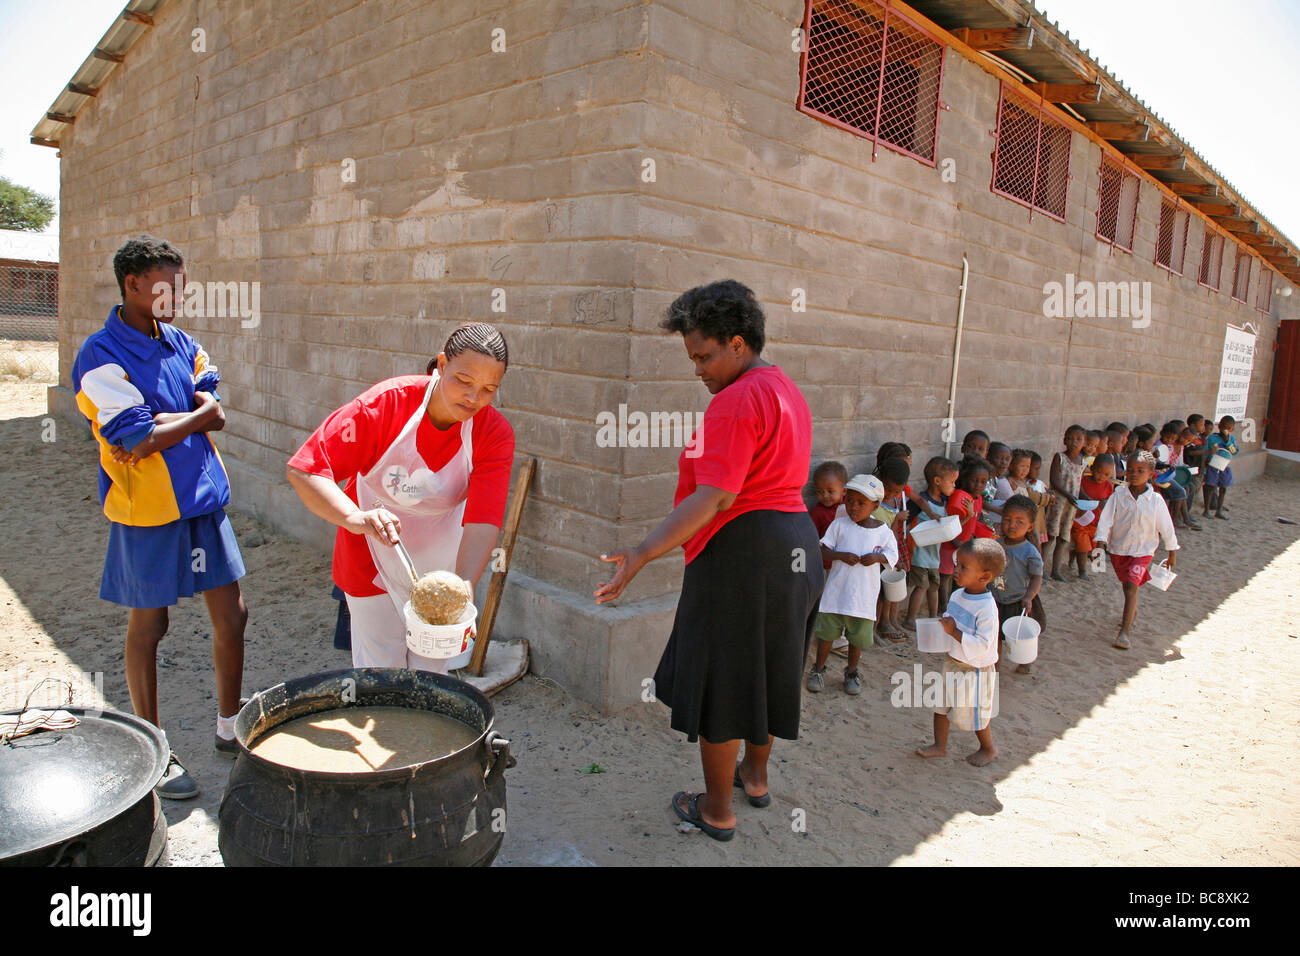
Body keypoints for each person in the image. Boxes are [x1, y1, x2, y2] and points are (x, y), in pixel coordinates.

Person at [594, 280, 823, 842]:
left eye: (704, 355)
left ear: (738, 343)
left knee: (724, 681)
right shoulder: (783, 387)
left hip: (745, 553)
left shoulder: (736, 398)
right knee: (768, 668)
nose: (697, 369)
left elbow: (717, 494)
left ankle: (717, 809)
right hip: (794, 543)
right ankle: (756, 777)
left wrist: (642, 553)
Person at [72, 235, 249, 799]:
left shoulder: (181, 342)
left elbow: (213, 406)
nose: (179, 294)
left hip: (203, 499)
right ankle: (156, 750)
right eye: (167, 286)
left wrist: (171, 422)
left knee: (234, 614)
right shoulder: (99, 355)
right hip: (146, 511)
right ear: (133, 285)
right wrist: (188, 420)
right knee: (151, 627)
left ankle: (229, 726)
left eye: (182, 284)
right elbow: (137, 439)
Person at [287, 323, 515, 671]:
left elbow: (484, 519)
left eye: (488, 389)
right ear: (441, 365)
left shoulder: (493, 433)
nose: (473, 398)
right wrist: (355, 518)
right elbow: (306, 470)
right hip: (370, 555)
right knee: (382, 675)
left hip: (442, 565)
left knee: (431, 677)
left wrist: (463, 586)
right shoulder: (385, 406)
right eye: (463, 381)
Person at [916, 537, 1005, 766]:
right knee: (941, 704)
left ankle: (988, 748)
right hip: (953, 660)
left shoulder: (987, 608)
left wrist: (954, 633)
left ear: (984, 576)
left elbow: (984, 644)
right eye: (957, 564)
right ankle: (940, 745)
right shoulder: (958, 594)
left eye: (963, 567)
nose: (956, 570)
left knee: (976, 713)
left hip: (975, 668)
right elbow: (951, 619)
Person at [807, 474, 897, 694]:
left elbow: (893, 555)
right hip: (836, 595)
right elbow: (822, 549)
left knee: (857, 639)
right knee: (827, 635)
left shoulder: (883, 531)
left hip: (863, 599)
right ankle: (818, 669)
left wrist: (876, 558)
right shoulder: (839, 525)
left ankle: (852, 671)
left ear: (875, 505)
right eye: (850, 501)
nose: (853, 507)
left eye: (861, 503)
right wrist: (839, 555)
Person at [1094, 450, 1179, 650]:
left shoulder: (1156, 501)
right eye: (1130, 470)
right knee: (1126, 585)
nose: (1134, 473)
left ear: (1151, 474)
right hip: (1119, 549)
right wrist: (1100, 543)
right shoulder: (1119, 495)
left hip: (1143, 551)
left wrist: (1171, 552)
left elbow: (1167, 527)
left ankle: (1124, 631)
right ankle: (1130, 613)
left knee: (1132, 586)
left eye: (1140, 470)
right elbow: (1106, 519)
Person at [902, 456, 958, 630]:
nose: (954, 486)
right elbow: (907, 524)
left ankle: (934, 618)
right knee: (920, 586)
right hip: (919, 555)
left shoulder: (945, 502)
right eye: (952, 482)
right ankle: (910, 619)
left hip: (934, 556)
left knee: (934, 586)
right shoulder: (921, 502)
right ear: (937, 481)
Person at [994, 496, 1045, 674]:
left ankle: (1025, 661)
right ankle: (995, 666)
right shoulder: (996, 544)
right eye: (1007, 520)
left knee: (1019, 635)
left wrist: (1029, 597)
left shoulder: (1029, 551)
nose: (1012, 525)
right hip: (996, 598)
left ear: (1030, 527)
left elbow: (1037, 577)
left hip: (1019, 601)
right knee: (996, 636)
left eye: (1019, 522)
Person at [939, 455, 996, 608]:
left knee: (960, 576)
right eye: (974, 480)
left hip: (963, 545)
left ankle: (955, 604)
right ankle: (943, 606)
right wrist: (957, 542)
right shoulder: (960, 498)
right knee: (946, 577)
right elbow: (950, 524)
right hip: (950, 544)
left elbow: (974, 522)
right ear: (965, 478)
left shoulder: (977, 498)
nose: (978, 484)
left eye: (983, 482)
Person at [874, 456, 911, 642]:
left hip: (886, 557)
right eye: (888, 489)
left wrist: (894, 557)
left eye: (896, 492)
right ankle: (874, 627)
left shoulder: (895, 502)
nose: (890, 494)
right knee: (875, 595)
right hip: (873, 556)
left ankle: (884, 623)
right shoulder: (872, 503)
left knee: (884, 594)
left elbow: (893, 534)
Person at [1046, 424, 1087, 582]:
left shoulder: (1082, 461)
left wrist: (1085, 497)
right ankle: (1042, 570)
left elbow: (1079, 483)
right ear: (1064, 440)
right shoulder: (1060, 457)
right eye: (1070, 438)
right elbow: (1054, 481)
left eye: (1078, 439)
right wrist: (1068, 495)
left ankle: (1055, 570)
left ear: (1084, 441)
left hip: (1071, 506)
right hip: (1058, 503)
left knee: (1064, 538)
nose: (1074, 442)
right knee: (1050, 536)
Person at [1069, 453, 1117, 576]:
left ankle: (1097, 568)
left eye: (1106, 474)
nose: (1102, 476)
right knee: (1083, 546)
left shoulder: (1108, 486)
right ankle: (1082, 572)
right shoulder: (1083, 481)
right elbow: (1078, 495)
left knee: (1097, 545)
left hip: (1097, 523)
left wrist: (1105, 503)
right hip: (1082, 521)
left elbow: (1110, 504)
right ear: (1093, 468)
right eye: (1099, 472)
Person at [1202, 415, 1239, 520]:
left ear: (1232, 429)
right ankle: (1207, 510)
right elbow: (1206, 450)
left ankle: (1219, 510)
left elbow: (1234, 451)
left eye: (1229, 428)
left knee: (1223, 488)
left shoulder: (1232, 439)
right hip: (1213, 466)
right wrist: (1206, 461)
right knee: (1211, 488)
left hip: (1225, 466)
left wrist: (1227, 441)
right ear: (1219, 426)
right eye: (1224, 427)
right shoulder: (1213, 438)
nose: (1225, 430)